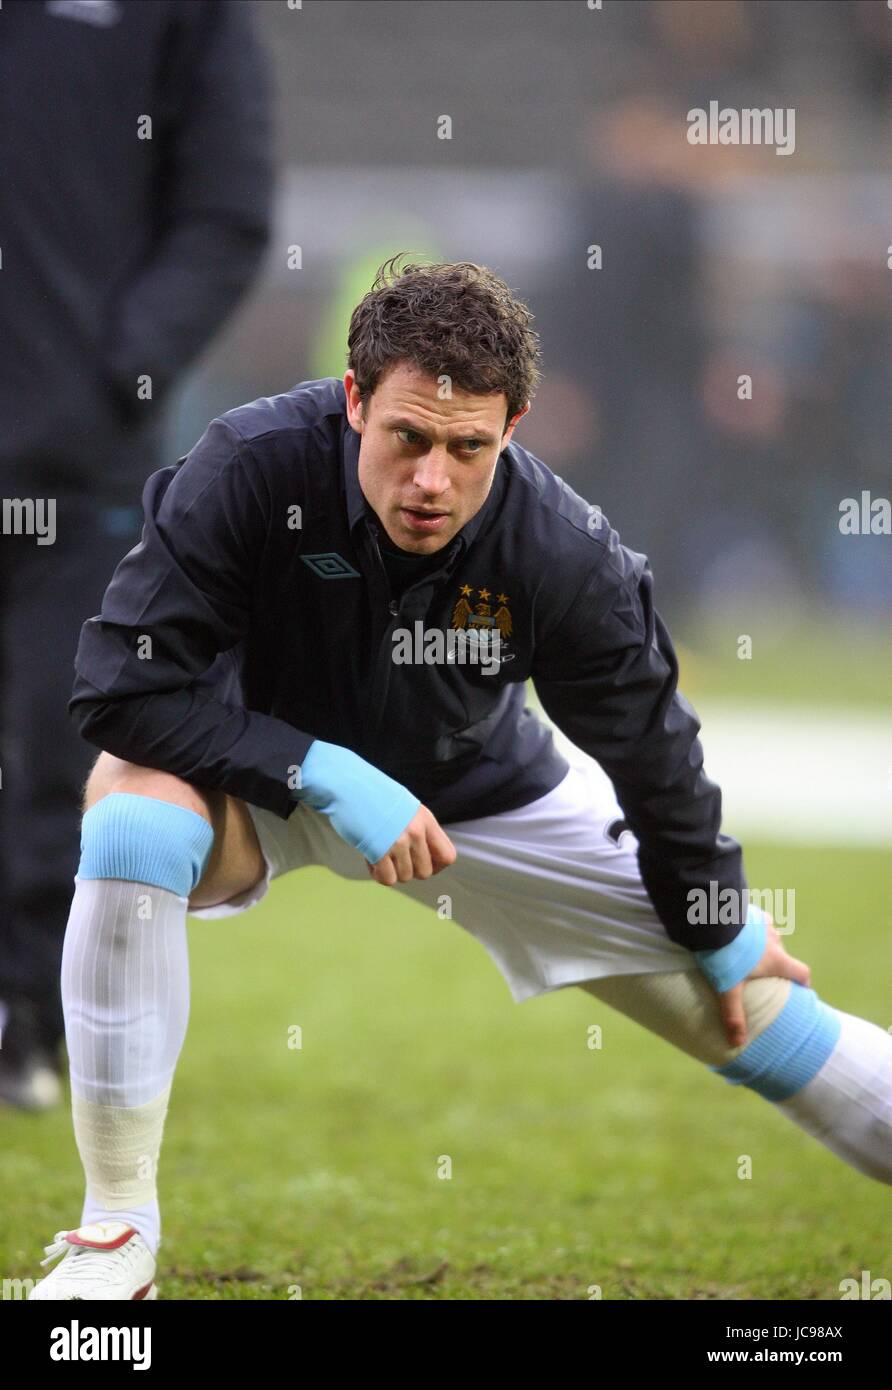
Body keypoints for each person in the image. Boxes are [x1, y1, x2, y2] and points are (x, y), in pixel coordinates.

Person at [29, 258, 892, 1300]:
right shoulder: (250, 467)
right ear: (354, 401)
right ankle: (115, 1235)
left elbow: (654, 750)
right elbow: (118, 687)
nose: (431, 479)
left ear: (514, 427)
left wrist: (714, 915)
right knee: (131, 821)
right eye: (407, 438)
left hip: (482, 796)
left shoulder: (562, 550)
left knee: (758, 1013)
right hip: (255, 782)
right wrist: (315, 766)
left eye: (466, 447)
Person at [0, 0, 273, 1110]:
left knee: (61, 740)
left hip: (79, 459)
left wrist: (116, 369)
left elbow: (227, 208)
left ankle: (20, 1017)